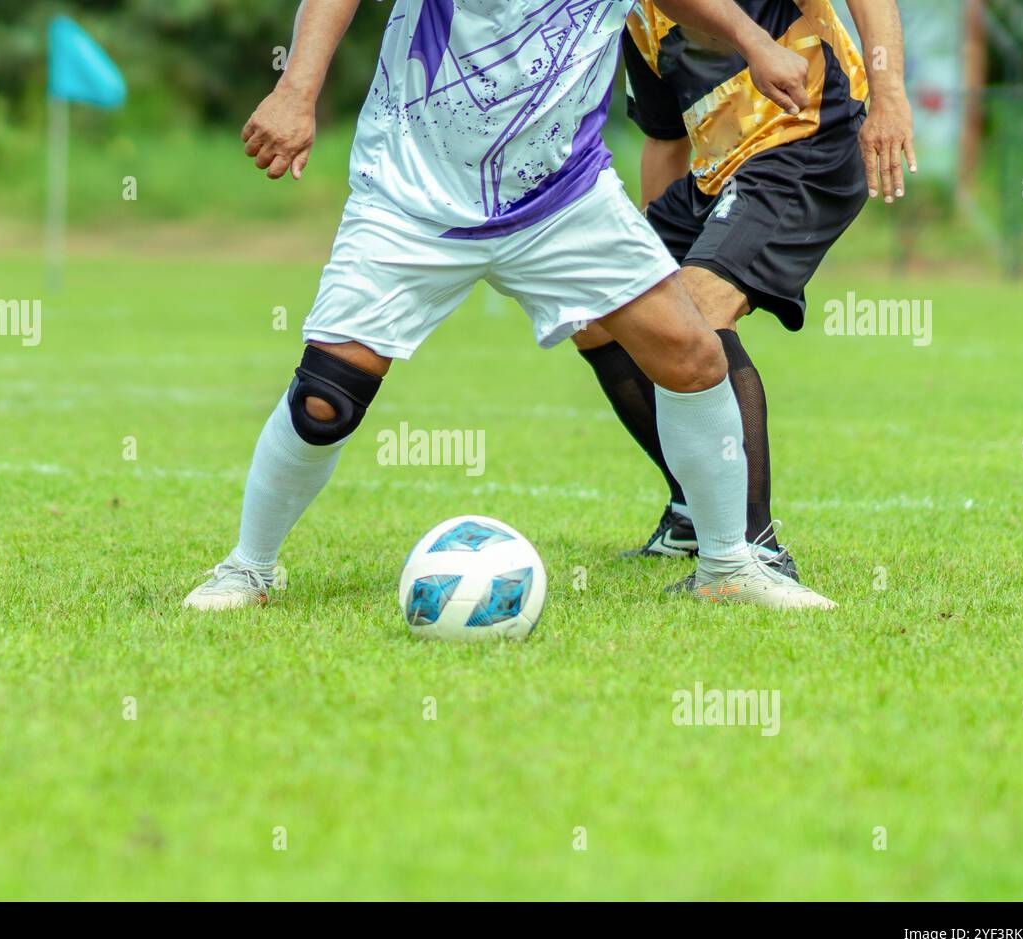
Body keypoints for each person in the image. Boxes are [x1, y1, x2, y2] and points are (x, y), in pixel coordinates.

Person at [186, 0, 838, 613]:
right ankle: (249, 568)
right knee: (326, 399)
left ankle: (728, 567)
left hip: (563, 196)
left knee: (692, 355)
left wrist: (753, 40)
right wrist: (297, 89)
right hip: (411, 195)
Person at [573, 0, 916, 580]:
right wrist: (649, 263)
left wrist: (890, 93)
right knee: (600, 313)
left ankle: (754, 550)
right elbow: (664, 139)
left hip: (807, 143)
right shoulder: (635, 17)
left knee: (703, 311)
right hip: (715, 174)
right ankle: (693, 511)